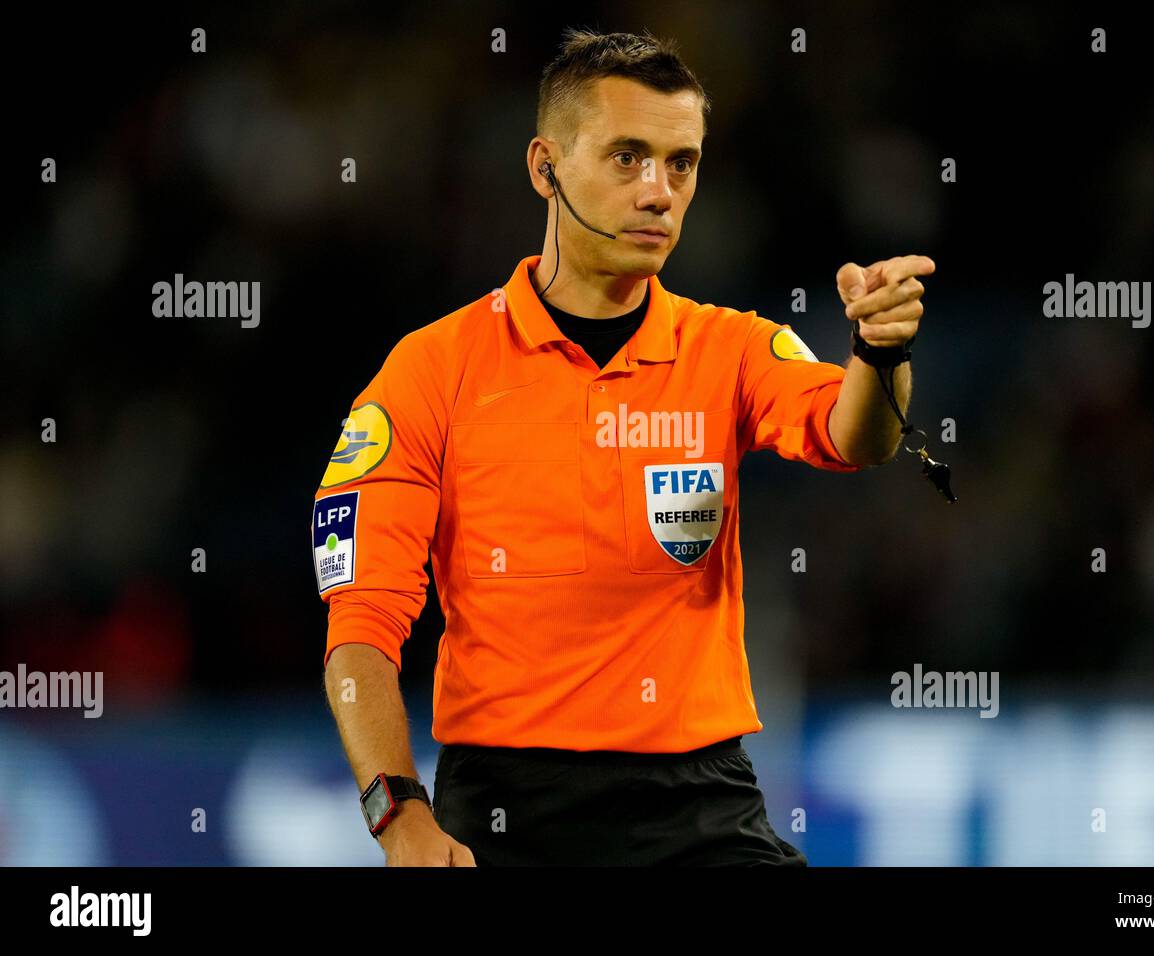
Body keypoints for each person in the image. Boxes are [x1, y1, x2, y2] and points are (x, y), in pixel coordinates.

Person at [314, 27, 934, 866]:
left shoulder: (732, 350)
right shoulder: (432, 370)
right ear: (546, 167)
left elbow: (857, 437)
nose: (659, 192)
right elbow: (361, 625)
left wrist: (881, 352)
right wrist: (399, 815)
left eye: (682, 164)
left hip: (701, 807)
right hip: (509, 815)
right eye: (628, 157)